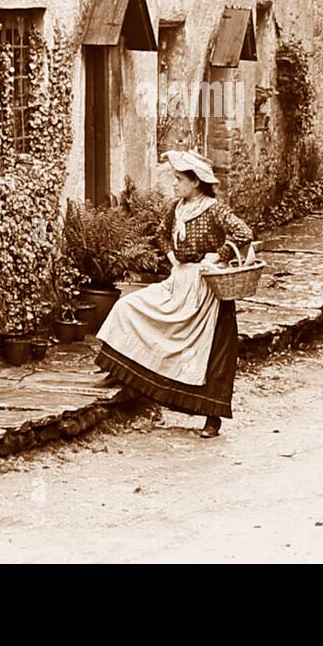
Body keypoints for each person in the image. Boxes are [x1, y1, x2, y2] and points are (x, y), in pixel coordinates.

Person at [95, 149, 253, 439]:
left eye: (179, 179)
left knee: (212, 354)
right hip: (177, 281)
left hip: (206, 290)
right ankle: (122, 370)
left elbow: (243, 234)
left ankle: (212, 418)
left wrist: (215, 257)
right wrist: (171, 257)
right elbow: (161, 233)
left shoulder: (215, 209)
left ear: (195, 182)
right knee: (128, 307)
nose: (174, 184)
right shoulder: (176, 208)